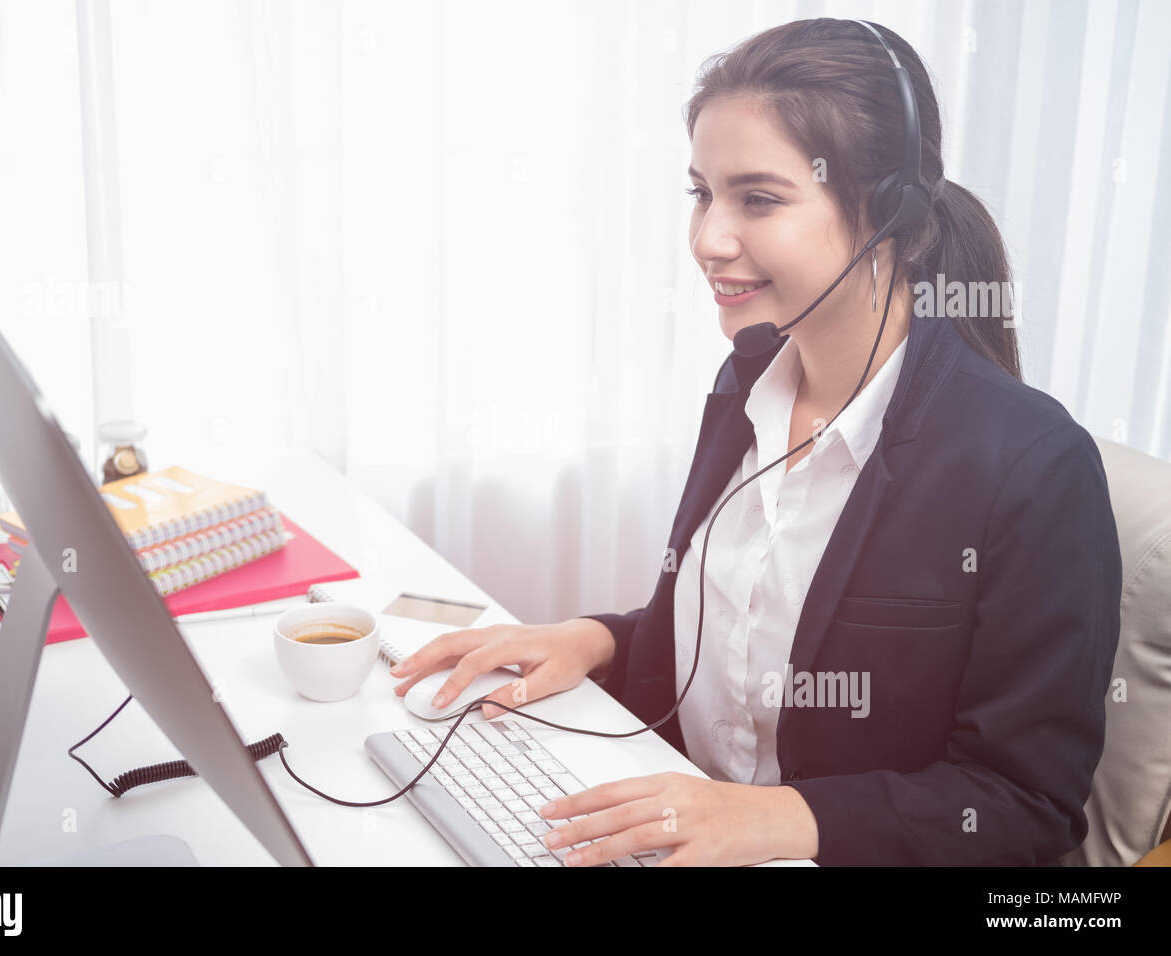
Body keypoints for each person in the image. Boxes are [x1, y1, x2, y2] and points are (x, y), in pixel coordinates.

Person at [388, 18, 1122, 866]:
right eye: (701, 192)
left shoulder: (1032, 468)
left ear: (891, 213)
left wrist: (779, 818)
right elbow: (734, 647)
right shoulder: (748, 382)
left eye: (758, 199)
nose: (708, 240)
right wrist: (594, 641)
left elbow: (1024, 809)